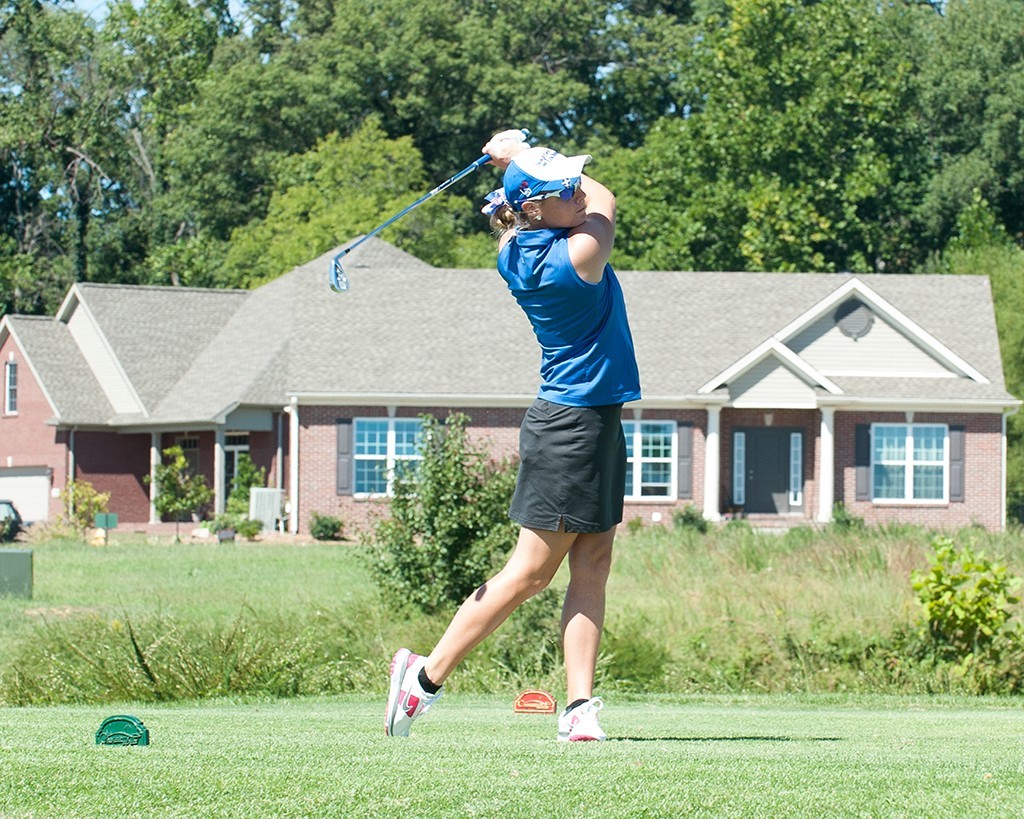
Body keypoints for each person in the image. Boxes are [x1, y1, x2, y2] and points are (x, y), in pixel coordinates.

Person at [385, 130, 641, 742]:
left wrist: (513, 168)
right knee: (530, 572)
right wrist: (516, 159)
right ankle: (423, 679)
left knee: (594, 561)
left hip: (597, 419)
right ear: (533, 210)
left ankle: (579, 709)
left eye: (572, 185)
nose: (578, 193)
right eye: (563, 192)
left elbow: (531, 211)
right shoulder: (576, 257)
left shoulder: (516, 246)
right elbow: (607, 197)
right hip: (568, 425)